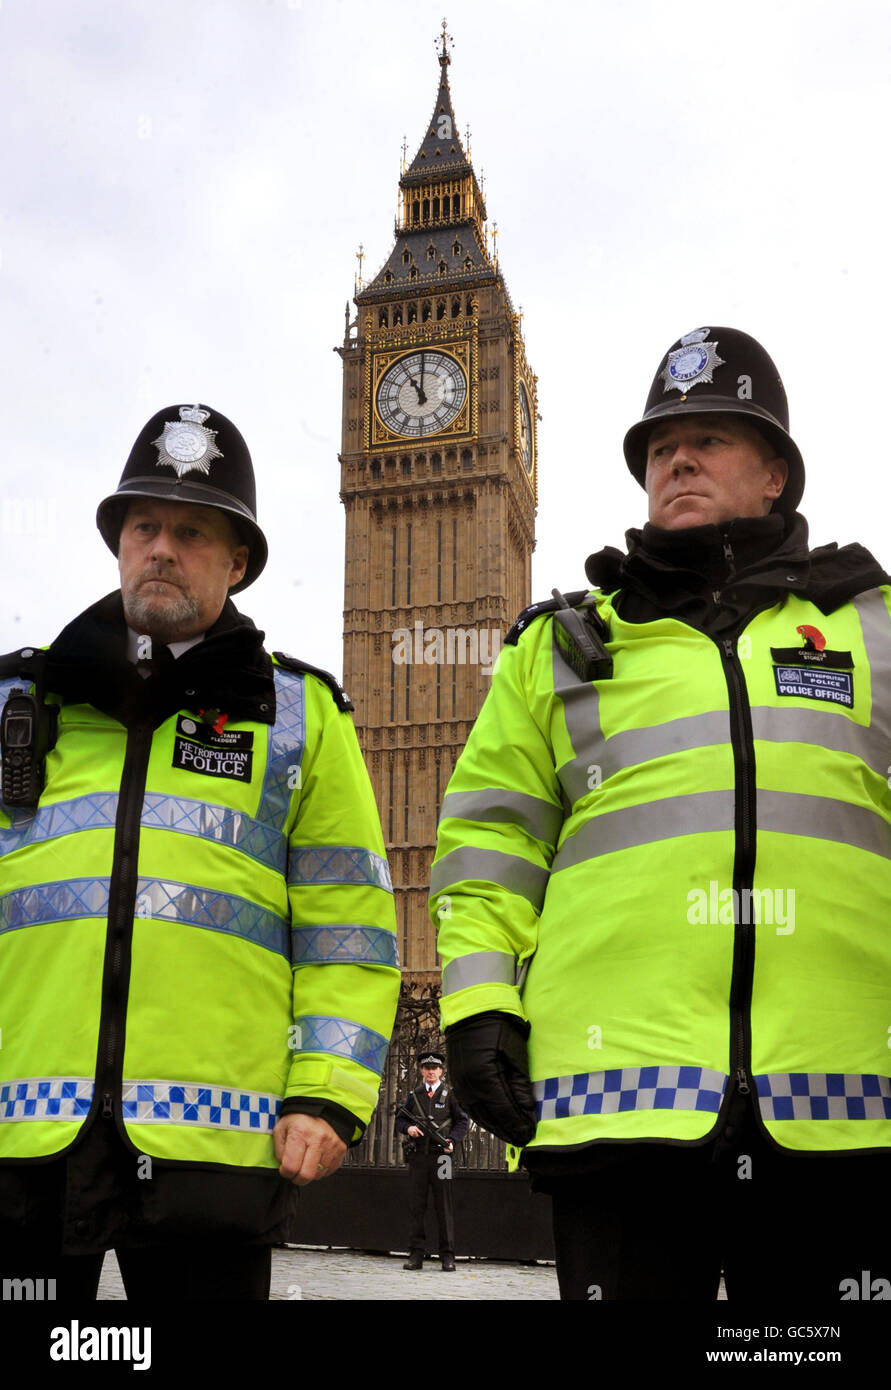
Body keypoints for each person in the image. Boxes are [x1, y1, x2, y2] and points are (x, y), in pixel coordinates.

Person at [431, 328, 891, 1300]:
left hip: (844, 1114)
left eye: (710, 438)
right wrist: (477, 1005)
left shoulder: (875, 629)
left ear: (775, 473)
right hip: (619, 1119)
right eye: (659, 445)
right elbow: (489, 842)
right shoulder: (563, 645)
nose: (675, 457)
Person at [0, 402, 400, 1300]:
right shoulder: (20, 706)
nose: (162, 548)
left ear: (238, 562)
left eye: (190, 531)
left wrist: (328, 1090)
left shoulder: (298, 717)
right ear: (118, 543)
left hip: (209, 1151)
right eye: (143, 526)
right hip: (21, 1146)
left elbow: (351, 929)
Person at [395, 1049, 468, 1271]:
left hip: (442, 1159)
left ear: (441, 1071)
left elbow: (462, 1122)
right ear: (421, 1071)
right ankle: (416, 1255)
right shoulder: (414, 1095)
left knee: (443, 1207)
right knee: (417, 1207)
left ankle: (448, 1256)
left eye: (434, 1068)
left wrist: (453, 1140)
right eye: (427, 1068)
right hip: (418, 1157)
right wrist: (410, 1128)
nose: (430, 1072)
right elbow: (399, 1121)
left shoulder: (450, 1094)